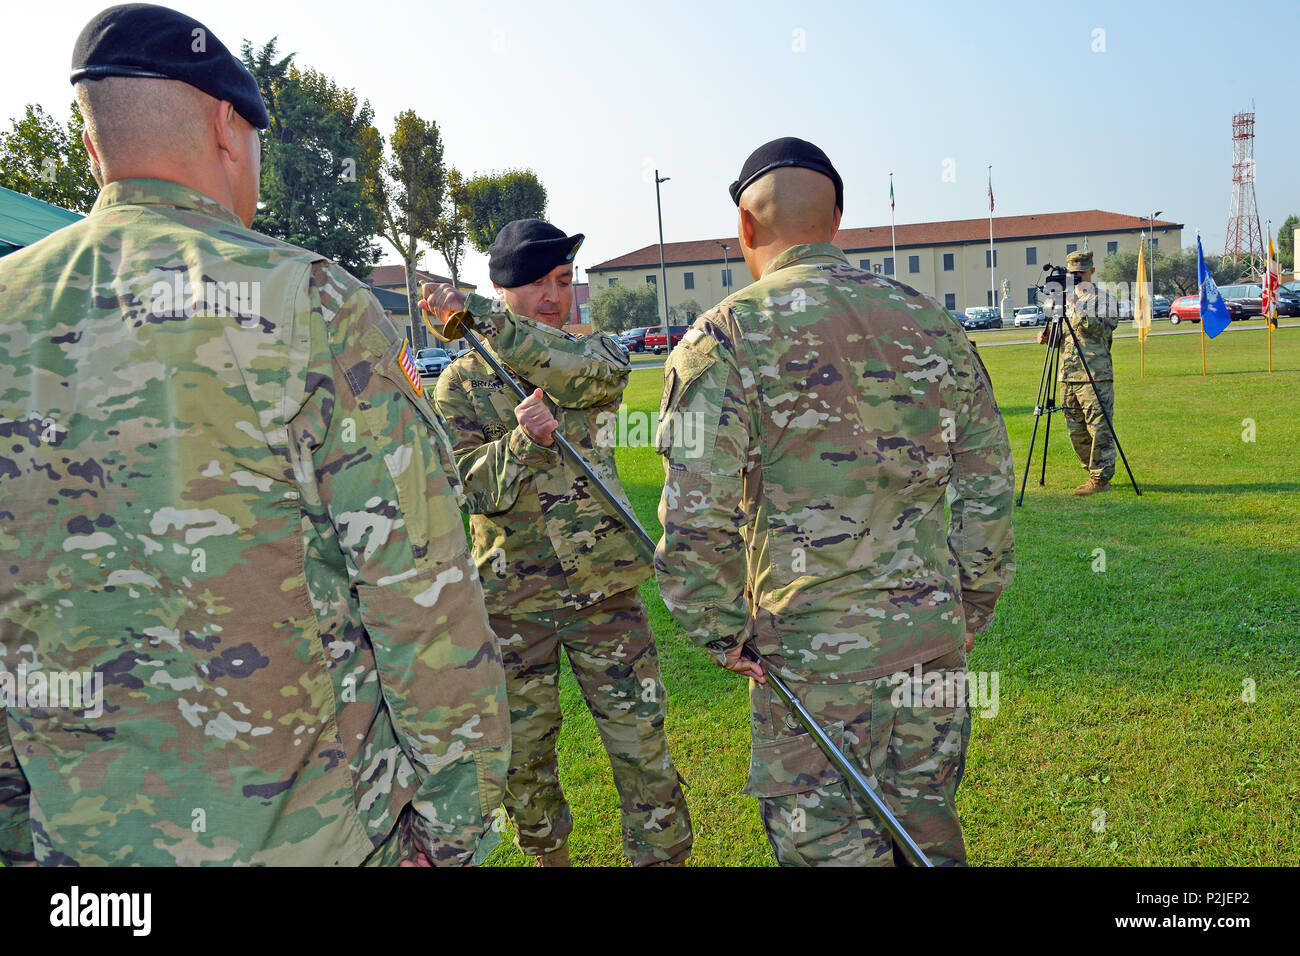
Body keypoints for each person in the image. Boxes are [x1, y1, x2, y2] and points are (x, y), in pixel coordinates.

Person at [0, 3, 509, 867]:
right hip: (311, 840)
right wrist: (453, 826)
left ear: (91, 148)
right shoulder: (307, 303)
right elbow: (420, 595)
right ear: (228, 128)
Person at [654, 137, 1016, 866]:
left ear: (745, 226)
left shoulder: (725, 337)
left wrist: (720, 630)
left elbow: (697, 514)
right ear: (837, 219)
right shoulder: (933, 322)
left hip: (811, 659)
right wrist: (968, 604)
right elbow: (988, 482)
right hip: (928, 643)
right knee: (926, 826)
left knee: (829, 847)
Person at [422, 219, 693, 867]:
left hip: (607, 594)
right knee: (526, 761)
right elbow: (463, 488)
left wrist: (490, 323)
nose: (553, 296)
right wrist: (522, 444)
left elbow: (594, 379)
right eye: (537, 283)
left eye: (564, 281)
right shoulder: (460, 384)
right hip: (514, 604)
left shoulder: (588, 353)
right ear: (500, 288)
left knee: (642, 749)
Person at [1036, 249, 1118, 495]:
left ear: (1091, 270)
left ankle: (1100, 479)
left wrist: (1079, 307)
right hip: (1068, 375)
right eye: (1073, 273)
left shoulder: (1103, 299)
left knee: (1099, 428)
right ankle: (1092, 471)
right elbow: (1064, 337)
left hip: (1095, 374)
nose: (1076, 277)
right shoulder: (1063, 301)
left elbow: (1105, 329)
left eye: (1081, 273)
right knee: (1075, 430)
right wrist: (1049, 336)